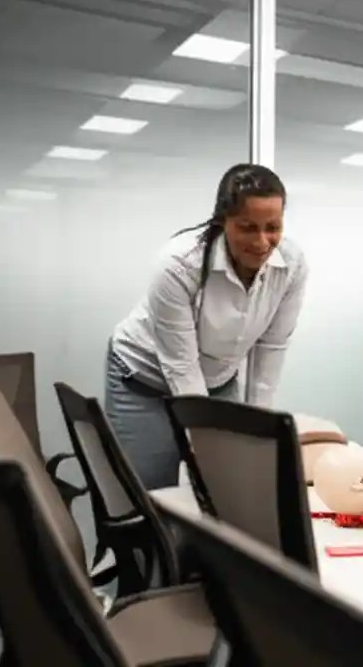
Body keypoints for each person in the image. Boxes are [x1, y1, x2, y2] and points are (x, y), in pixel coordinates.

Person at [106, 164, 308, 489]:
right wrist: (203, 443)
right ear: (222, 221)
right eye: (247, 227)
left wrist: (260, 433)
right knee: (154, 493)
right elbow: (180, 366)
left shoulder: (292, 265)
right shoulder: (177, 264)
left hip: (217, 378)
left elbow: (271, 347)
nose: (262, 241)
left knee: (221, 489)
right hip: (145, 377)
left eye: (273, 227)